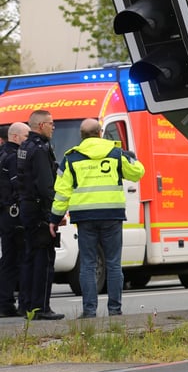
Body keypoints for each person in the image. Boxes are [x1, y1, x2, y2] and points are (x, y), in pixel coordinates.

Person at [50, 118, 145, 318]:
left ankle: (89, 311)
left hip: (85, 218)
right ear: (100, 132)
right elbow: (138, 173)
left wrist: (55, 218)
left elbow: (61, 192)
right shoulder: (116, 154)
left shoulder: (71, 158)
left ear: (81, 136)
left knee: (88, 264)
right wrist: (131, 158)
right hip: (111, 215)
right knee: (113, 263)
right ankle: (115, 310)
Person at [18, 110, 62, 320]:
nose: (53, 127)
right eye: (51, 123)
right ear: (41, 125)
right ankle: (42, 307)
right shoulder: (41, 149)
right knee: (44, 260)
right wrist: (54, 214)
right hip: (39, 210)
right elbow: (46, 185)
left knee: (29, 258)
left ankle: (27, 306)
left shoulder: (25, 147)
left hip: (27, 208)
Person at [0, 123, 29, 317]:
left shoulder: (2, 154)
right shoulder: (14, 157)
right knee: (19, 260)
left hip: (4, 214)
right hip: (14, 213)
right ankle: (11, 304)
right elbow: (19, 185)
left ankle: (5, 303)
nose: (29, 139)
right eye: (27, 135)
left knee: (8, 260)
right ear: (16, 137)